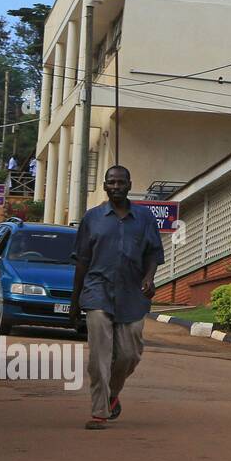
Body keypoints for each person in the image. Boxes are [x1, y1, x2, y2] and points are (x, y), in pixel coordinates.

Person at [69, 165, 164, 430]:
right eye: (111, 182)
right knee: (99, 355)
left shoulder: (144, 218)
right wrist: (74, 301)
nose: (116, 186)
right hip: (97, 290)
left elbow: (153, 254)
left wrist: (148, 277)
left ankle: (112, 394)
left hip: (132, 294)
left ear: (129, 184)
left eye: (121, 182)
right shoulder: (93, 218)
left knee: (129, 354)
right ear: (104, 185)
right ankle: (99, 411)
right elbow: (82, 261)